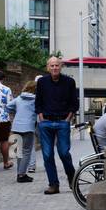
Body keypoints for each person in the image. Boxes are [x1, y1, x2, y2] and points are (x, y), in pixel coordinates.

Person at [35, 56, 79, 195]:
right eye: (52, 66)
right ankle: (53, 184)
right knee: (47, 155)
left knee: (64, 153)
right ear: (48, 67)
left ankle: (72, 178)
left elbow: (74, 103)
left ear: (61, 67)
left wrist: (68, 119)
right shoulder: (42, 82)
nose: (54, 68)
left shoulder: (69, 82)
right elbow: (38, 102)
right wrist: (41, 118)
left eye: (57, 65)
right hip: (46, 122)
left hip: (62, 122)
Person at [7, 79, 39, 183]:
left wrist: (16, 111)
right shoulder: (36, 100)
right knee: (26, 151)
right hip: (28, 127)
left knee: (19, 151)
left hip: (16, 127)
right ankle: (22, 175)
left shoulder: (19, 98)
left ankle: (19, 173)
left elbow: (8, 107)